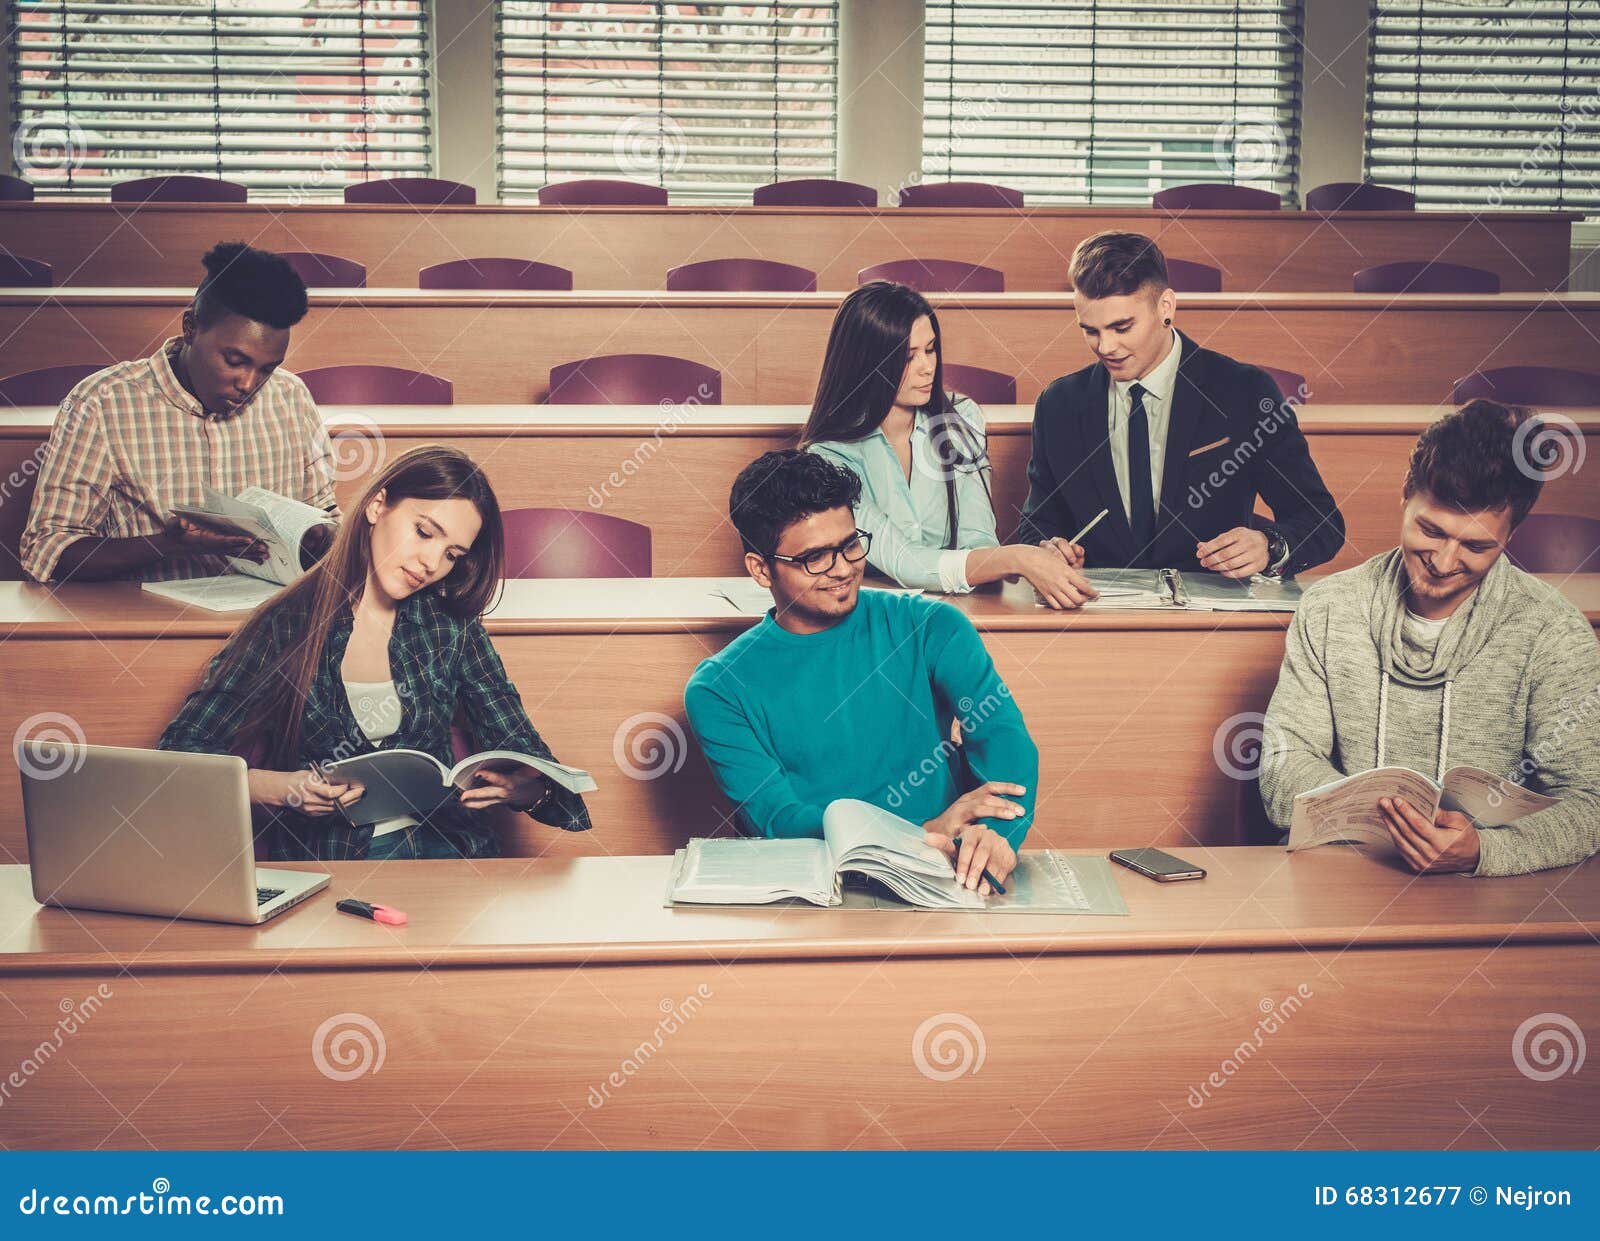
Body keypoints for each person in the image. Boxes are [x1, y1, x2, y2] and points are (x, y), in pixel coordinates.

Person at [160, 445, 592, 860]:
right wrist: (282, 787)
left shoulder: (451, 626)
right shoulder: (286, 624)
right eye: (424, 532)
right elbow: (180, 755)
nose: (431, 563)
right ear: (377, 505)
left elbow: (529, 756)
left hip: (449, 854)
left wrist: (526, 790)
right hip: (336, 860)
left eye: (452, 554)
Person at [1259, 401, 1600, 876]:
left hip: (1487, 893)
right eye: (1431, 530)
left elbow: (1590, 803)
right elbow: (1282, 763)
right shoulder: (1330, 608)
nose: (1443, 562)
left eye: (1476, 545)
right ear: (1405, 493)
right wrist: (1393, 820)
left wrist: (1486, 850)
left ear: (1512, 533)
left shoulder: (1554, 633)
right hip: (1342, 873)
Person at [684, 449, 1039, 893]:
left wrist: (996, 837)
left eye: (850, 545)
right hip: (817, 889)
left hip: (948, 874)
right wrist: (917, 834)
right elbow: (779, 818)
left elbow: (1003, 737)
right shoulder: (717, 689)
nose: (843, 569)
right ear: (761, 569)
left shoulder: (933, 626)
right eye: (815, 557)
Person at [1015, 230, 1344, 578]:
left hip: (1211, 604)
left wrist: (1270, 545)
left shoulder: (1245, 392)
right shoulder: (1059, 404)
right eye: (1090, 331)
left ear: (1166, 307)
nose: (1106, 347)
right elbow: (1038, 524)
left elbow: (1320, 520)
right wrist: (1050, 549)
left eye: (1122, 328)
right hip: (1096, 604)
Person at [20, 241, 337, 583]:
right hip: (148, 614)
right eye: (234, 361)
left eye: (267, 369)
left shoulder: (291, 396)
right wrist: (165, 545)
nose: (248, 383)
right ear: (190, 328)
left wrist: (318, 535)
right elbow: (47, 549)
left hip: (272, 610)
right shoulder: (101, 403)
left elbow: (327, 516)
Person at [803, 281, 1098, 608]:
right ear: (864, 363)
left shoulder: (961, 417)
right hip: (878, 614)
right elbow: (904, 562)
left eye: (930, 349)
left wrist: (1036, 562)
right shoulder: (829, 457)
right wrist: (1017, 559)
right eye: (908, 356)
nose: (927, 367)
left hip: (960, 608)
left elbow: (978, 537)